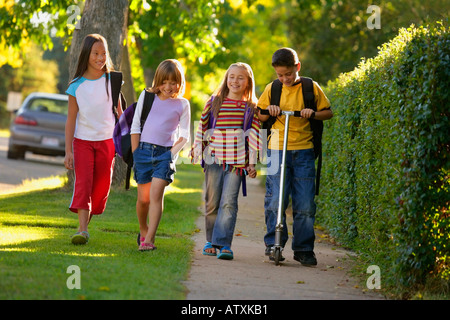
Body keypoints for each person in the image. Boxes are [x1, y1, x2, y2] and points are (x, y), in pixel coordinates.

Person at [257, 47, 333, 266]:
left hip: (304, 151)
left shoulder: (311, 88)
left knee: (305, 202)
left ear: (297, 67)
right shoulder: (273, 88)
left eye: (288, 74)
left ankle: (303, 249)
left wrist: (313, 113)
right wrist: (270, 109)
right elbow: (260, 115)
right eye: (280, 75)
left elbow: (328, 112)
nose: (284, 79)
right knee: (275, 200)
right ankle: (274, 243)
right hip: (277, 150)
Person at [191, 62, 261, 260]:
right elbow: (202, 128)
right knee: (212, 202)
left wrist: (252, 163)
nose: (235, 81)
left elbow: (255, 137)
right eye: (231, 76)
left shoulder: (251, 108)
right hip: (213, 159)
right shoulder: (214, 102)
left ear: (248, 82)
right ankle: (210, 241)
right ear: (226, 79)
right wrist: (198, 149)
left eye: (240, 77)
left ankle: (223, 244)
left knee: (229, 203)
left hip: (237, 164)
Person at [65, 34, 123, 245]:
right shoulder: (76, 86)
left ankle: (84, 227)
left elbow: (120, 113)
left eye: (104, 53)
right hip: (82, 142)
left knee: (100, 189)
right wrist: (68, 151)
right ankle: (82, 230)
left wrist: (123, 141)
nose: (100, 58)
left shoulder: (113, 80)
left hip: (108, 142)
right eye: (96, 53)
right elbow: (71, 120)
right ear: (86, 55)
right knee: (83, 184)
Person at [131, 59, 190, 251]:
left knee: (156, 196)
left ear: (179, 83)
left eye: (173, 83)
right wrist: (135, 154)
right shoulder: (147, 96)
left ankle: (149, 240)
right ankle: (143, 230)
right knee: (143, 200)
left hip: (165, 155)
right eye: (164, 82)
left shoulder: (182, 104)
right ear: (158, 80)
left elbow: (185, 136)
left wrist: (170, 155)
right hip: (143, 152)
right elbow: (135, 127)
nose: (168, 87)